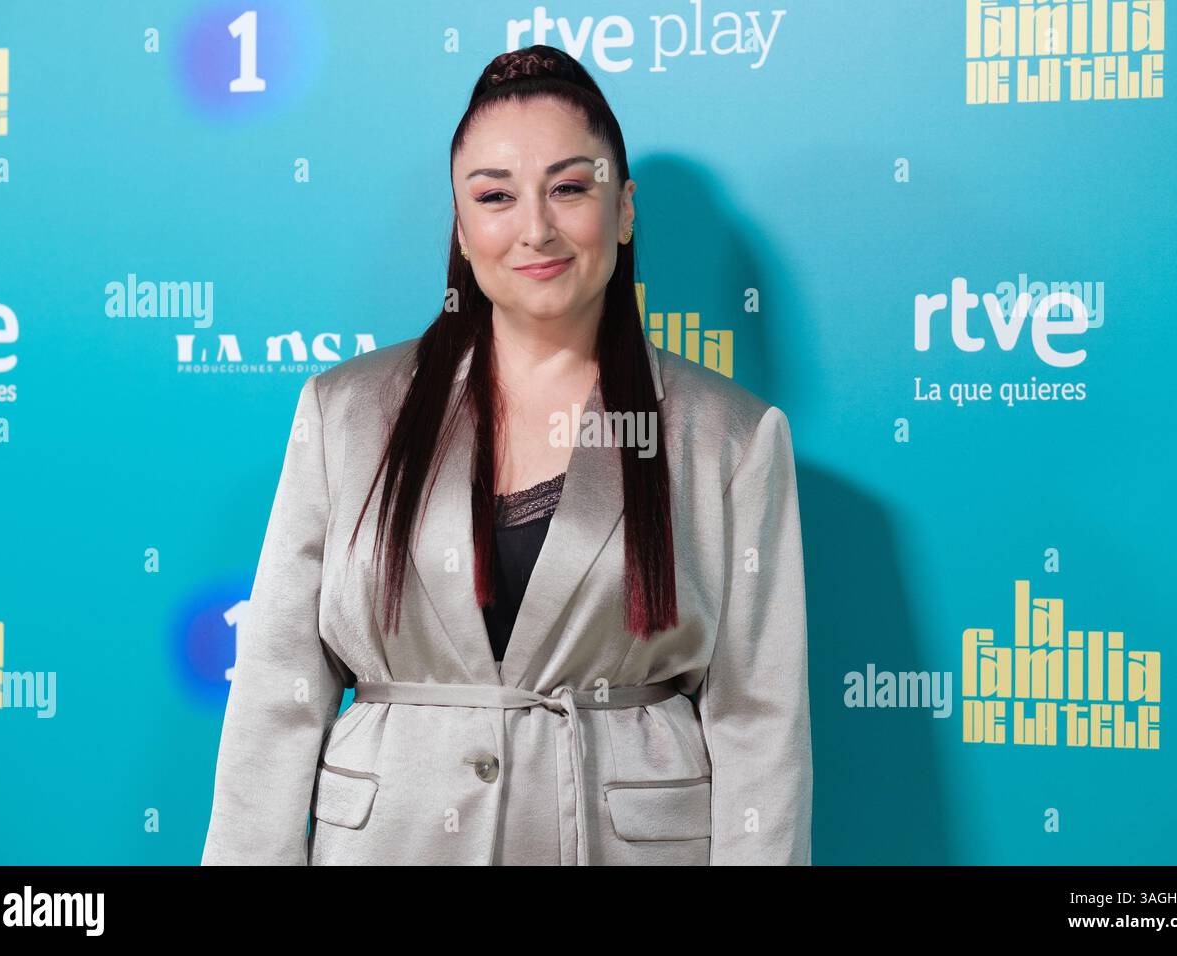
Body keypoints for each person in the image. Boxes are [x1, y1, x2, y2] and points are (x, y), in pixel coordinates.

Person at [201, 45, 812, 866]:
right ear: (460, 223)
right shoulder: (343, 413)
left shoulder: (731, 436)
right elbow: (276, 698)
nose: (535, 229)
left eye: (569, 188)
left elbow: (759, 726)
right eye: (496, 196)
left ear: (624, 209)